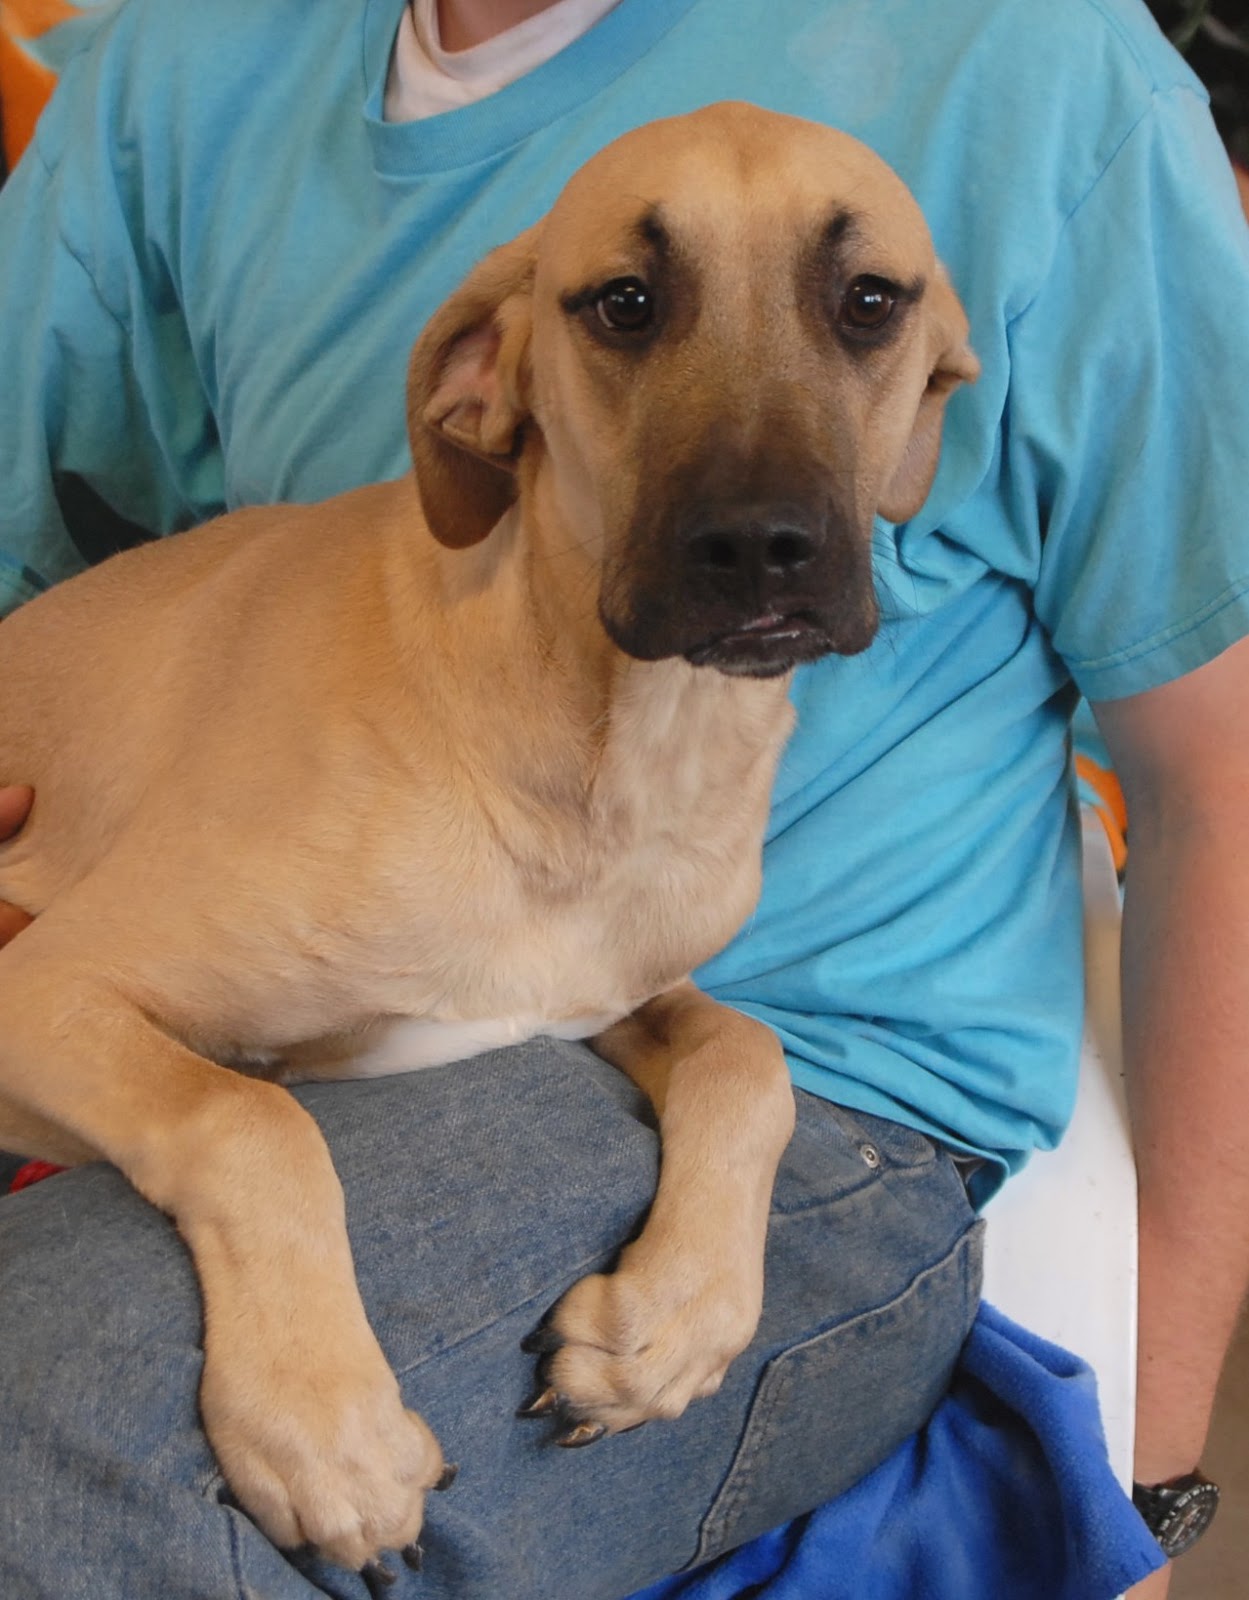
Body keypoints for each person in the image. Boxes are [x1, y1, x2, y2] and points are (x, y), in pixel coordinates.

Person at [1, 1, 1247, 1596]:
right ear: (481, 389)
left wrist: (1140, 1497)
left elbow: (1224, 781)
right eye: (631, 312)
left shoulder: (1030, 62)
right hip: (318, 956)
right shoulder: (186, 66)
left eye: (860, 311)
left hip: (858, 1096)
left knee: (58, 1436)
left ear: (928, 395)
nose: (755, 493)